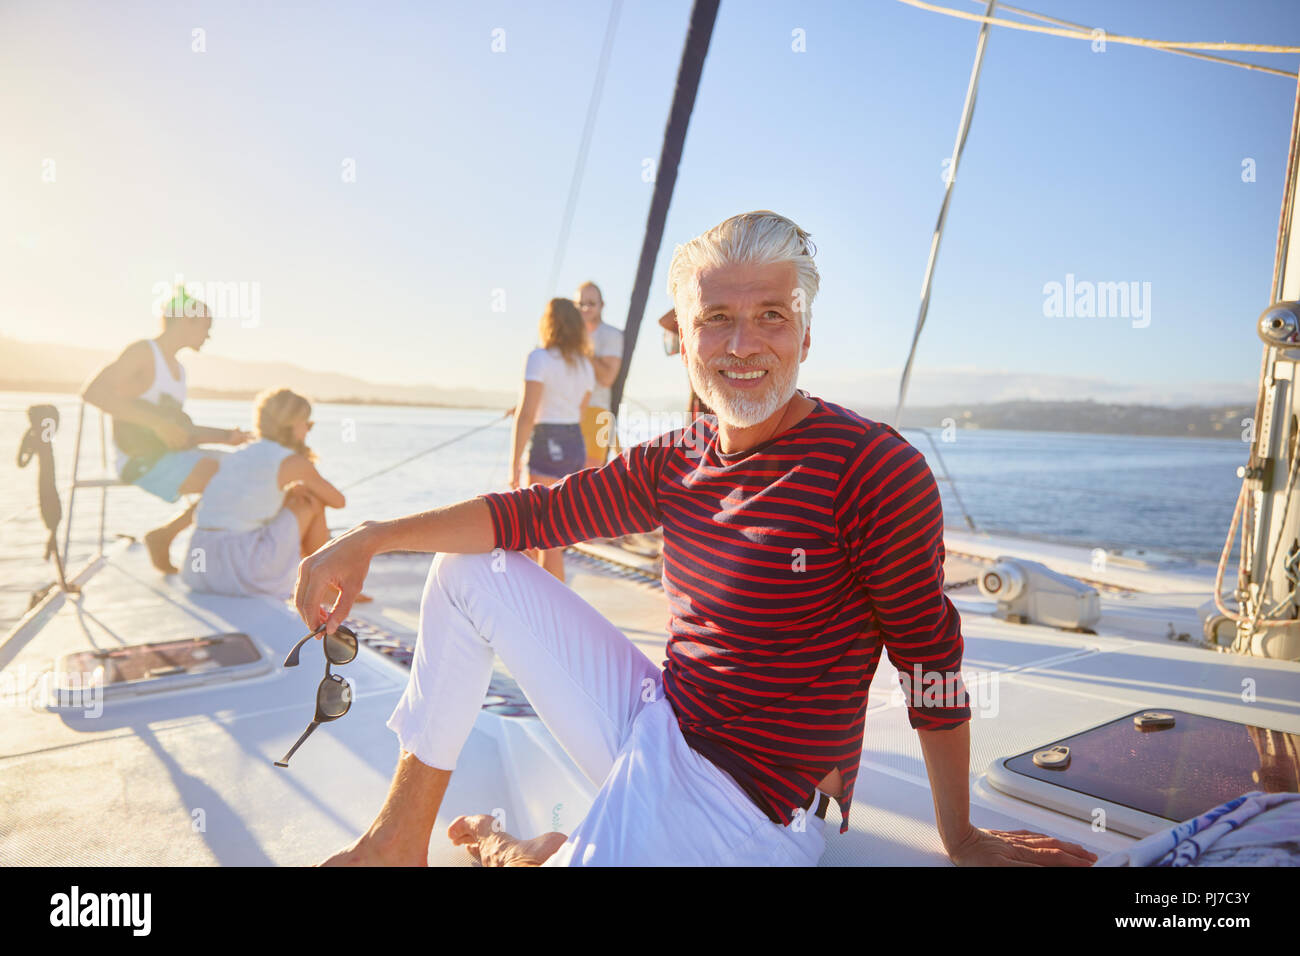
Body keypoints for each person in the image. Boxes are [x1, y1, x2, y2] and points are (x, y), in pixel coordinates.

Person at [293, 210, 1098, 867]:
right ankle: (399, 842)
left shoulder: (873, 470)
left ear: (806, 334)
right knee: (467, 571)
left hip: (753, 805)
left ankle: (539, 854)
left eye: (770, 316)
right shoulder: (679, 457)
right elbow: (525, 517)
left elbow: (929, 658)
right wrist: (368, 536)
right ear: (684, 337)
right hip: (660, 720)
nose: (744, 345)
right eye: (717, 320)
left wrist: (960, 837)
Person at [81, 287, 250, 573]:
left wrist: (227, 437)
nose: (208, 335)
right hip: (140, 462)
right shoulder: (143, 353)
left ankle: (170, 537)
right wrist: (156, 424)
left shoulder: (178, 369)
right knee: (232, 477)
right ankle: (176, 541)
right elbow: (93, 392)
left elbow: (179, 429)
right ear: (186, 321)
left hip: (170, 456)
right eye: (206, 326)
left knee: (246, 469)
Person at [180, 388, 356, 599]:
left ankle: (316, 580)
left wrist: (290, 491)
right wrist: (303, 488)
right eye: (308, 424)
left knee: (294, 496)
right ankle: (323, 586)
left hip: (199, 569)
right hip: (245, 571)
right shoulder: (292, 461)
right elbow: (338, 501)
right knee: (312, 502)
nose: (308, 431)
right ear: (293, 425)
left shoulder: (238, 455)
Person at [507, 298, 594, 582]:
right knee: (553, 535)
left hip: (548, 442)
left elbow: (527, 414)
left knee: (538, 533)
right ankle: (550, 606)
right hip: (573, 443)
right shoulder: (585, 366)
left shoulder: (539, 358)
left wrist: (514, 465)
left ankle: (543, 610)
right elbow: (578, 411)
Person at [575, 281, 624, 469]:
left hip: (596, 414)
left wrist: (582, 350)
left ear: (602, 305)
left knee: (586, 484)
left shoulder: (611, 335)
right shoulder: (570, 336)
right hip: (567, 416)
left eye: (591, 303)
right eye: (580, 304)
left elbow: (606, 378)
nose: (585, 308)